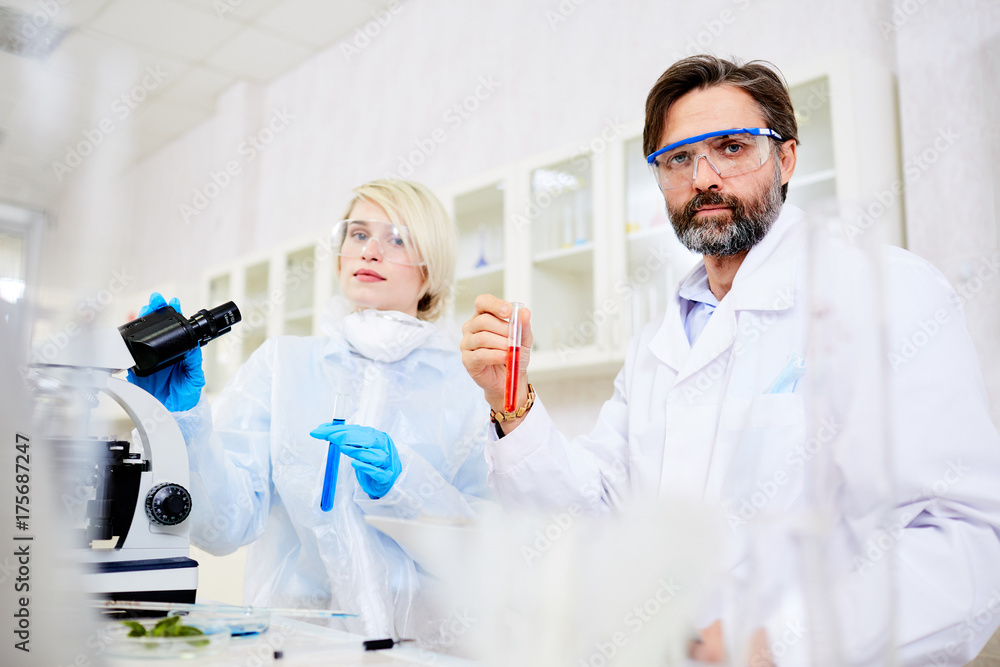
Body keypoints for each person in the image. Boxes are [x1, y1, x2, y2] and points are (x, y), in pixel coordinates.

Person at [460, 55, 1000, 665]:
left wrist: (778, 641)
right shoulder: (655, 347)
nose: (704, 177)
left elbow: (969, 541)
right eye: (678, 159)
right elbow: (596, 515)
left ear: (786, 158)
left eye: (733, 147)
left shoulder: (887, 295)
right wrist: (512, 403)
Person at [131, 179, 492, 639]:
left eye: (397, 238)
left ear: (430, 269)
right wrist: (181, 423)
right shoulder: (283, 365)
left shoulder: (466, 387)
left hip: (421, 649)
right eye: (358, 235)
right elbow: (224, 527)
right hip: (297, 643)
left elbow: (484, 552)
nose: (370, 251)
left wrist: (404, 489)